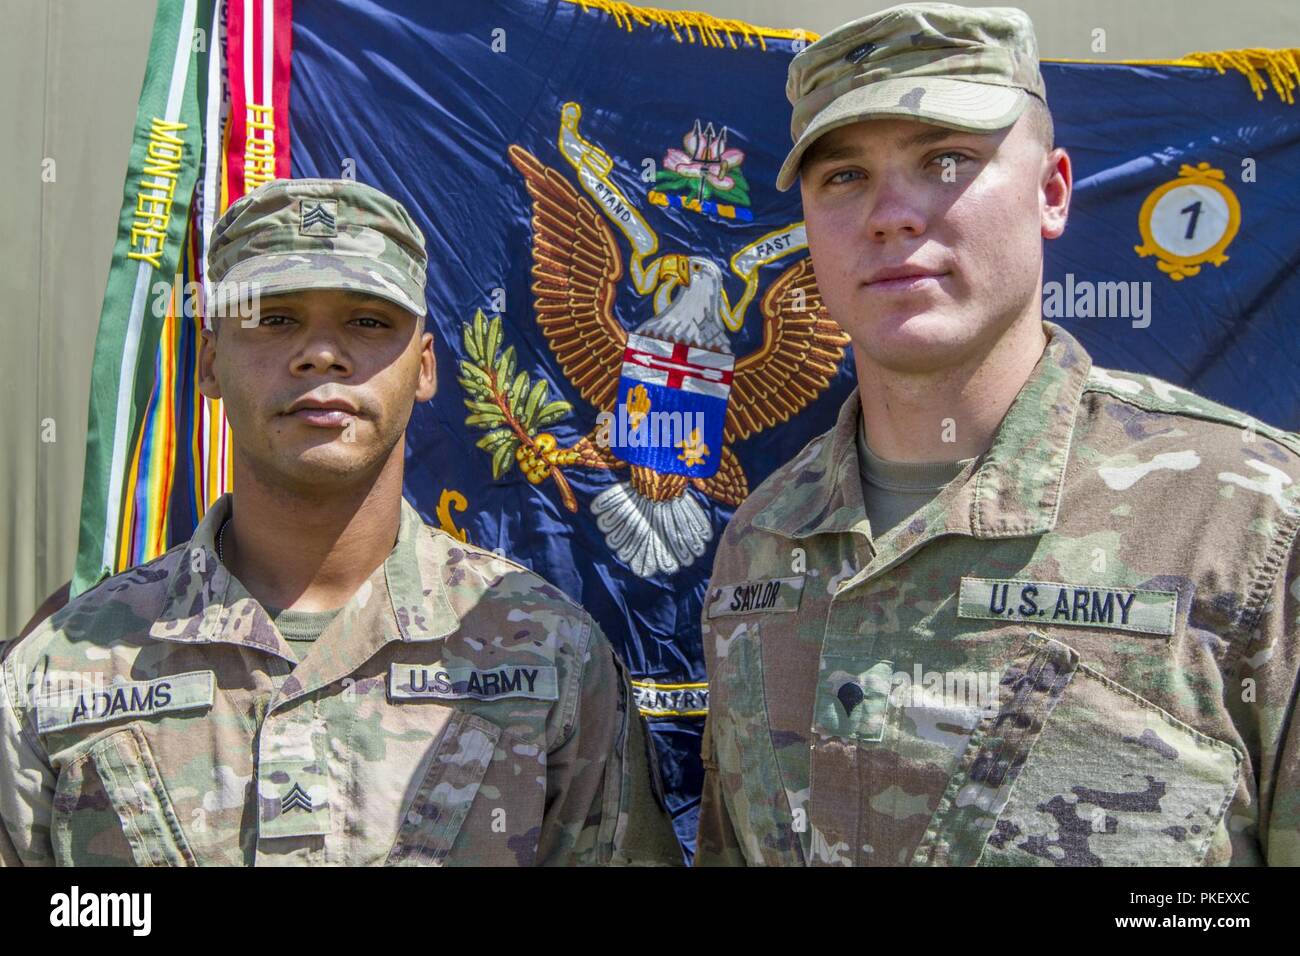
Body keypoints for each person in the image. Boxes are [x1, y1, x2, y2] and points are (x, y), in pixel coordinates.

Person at [696, 3, 1300, 866]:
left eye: (946, 161)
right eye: (844, 176)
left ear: (1051, 192)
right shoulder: (762, 540)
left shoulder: (1252, 522)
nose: (891, 214)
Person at [0, 177, 681, 866]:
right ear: (209, 364)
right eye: (275, 318)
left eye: (368, 321)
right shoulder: (61, 671)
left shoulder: (552, 657)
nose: (321, 354)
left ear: (424, 368)